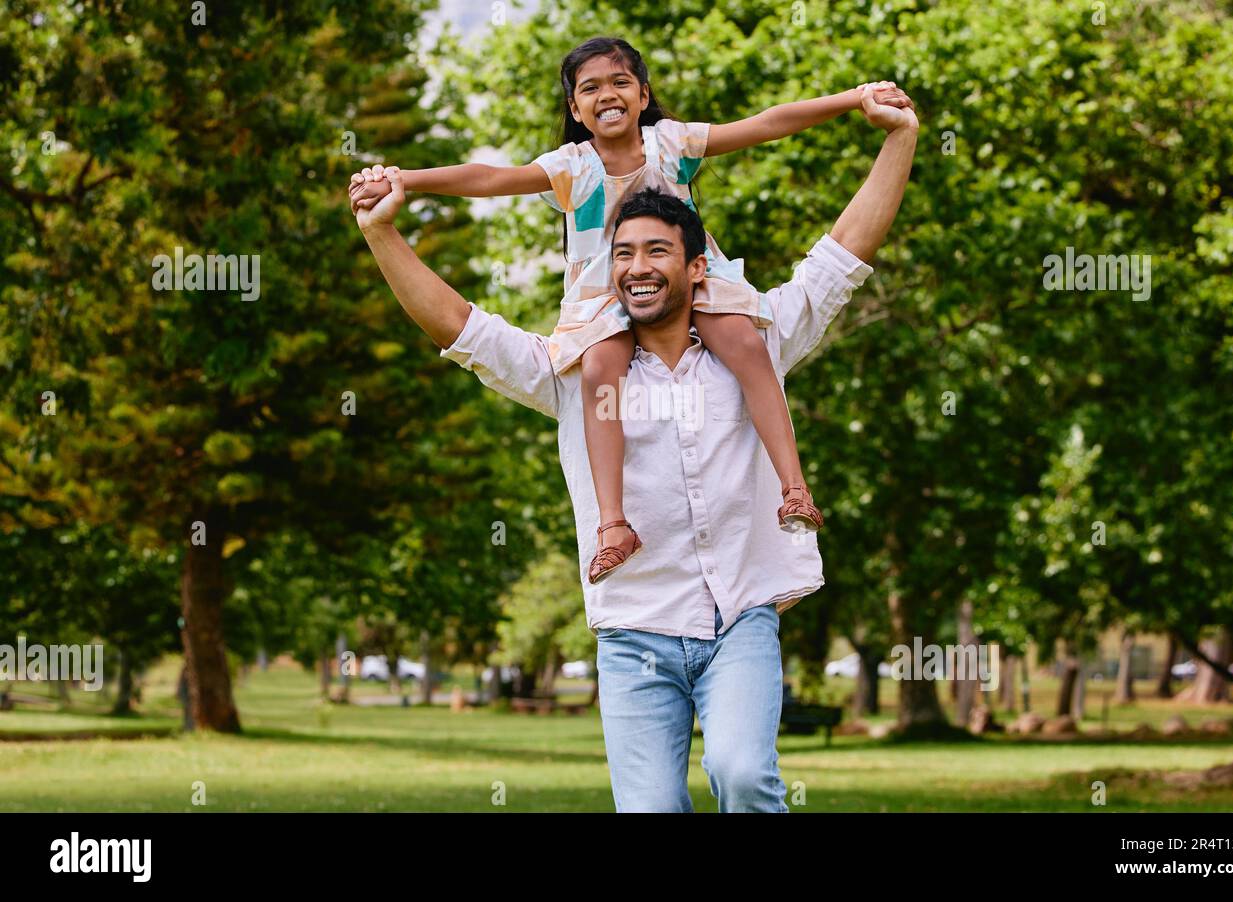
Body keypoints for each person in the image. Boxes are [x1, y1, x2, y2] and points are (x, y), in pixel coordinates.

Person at [349, 82, 919, 812]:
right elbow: (462, 328)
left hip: (740, 617)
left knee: (744, 778)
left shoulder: (756, 344)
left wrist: (898, 137)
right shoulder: (575, 371)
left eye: (657, 251)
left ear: (696, 268)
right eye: (623, 254)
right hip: (634, 634)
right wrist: (382, 233)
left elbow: (841, 257)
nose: (639, 266)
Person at [350, 36, 913, 583]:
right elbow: (490, 178)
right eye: (590, 88)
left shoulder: (672, 142)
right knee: (599, 372)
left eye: (621, 81)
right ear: (575, 107)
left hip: (699, 279)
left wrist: (852, 98)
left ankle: (794, 488)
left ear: (643, 94)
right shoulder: (572, 166)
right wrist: (405, 180)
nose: (607, 94)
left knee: (746, 344)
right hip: (602, 296)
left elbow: (765, 124)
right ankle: (613, 525)